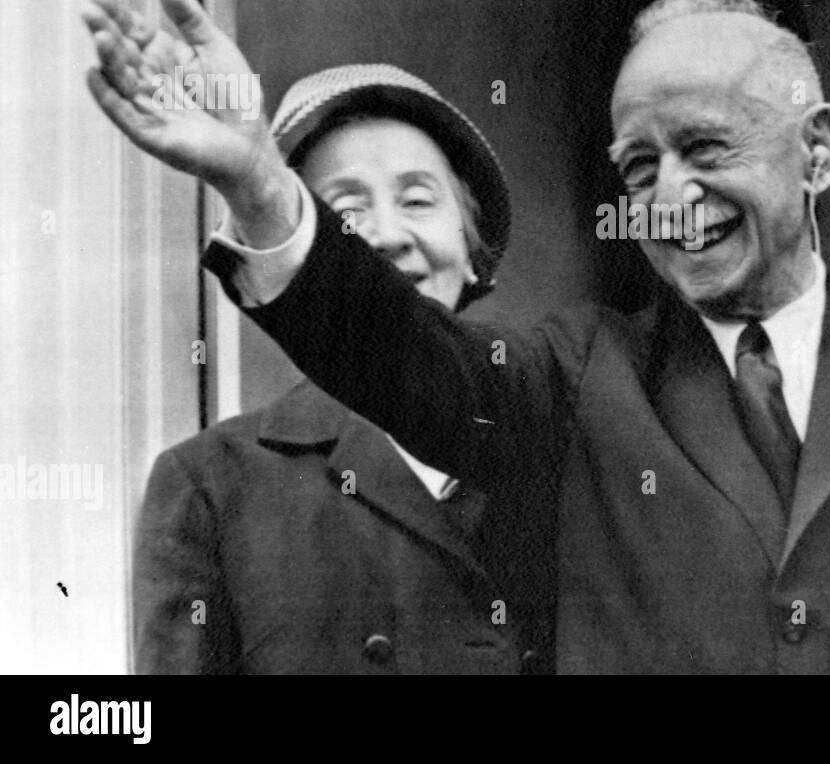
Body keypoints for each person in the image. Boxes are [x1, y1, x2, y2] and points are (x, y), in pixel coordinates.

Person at [85, 0, 830, 674]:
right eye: (639, 168)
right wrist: (260, 185)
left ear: (820, 151)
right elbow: (407, 359)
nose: (672, 197)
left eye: (708, 147)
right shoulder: (581, 373)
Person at [132, 61, 555, 674]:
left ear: (471, 250)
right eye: (346, 214)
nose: (386, 235)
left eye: (417, 199)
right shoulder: (210, 486)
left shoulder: (568, 444)